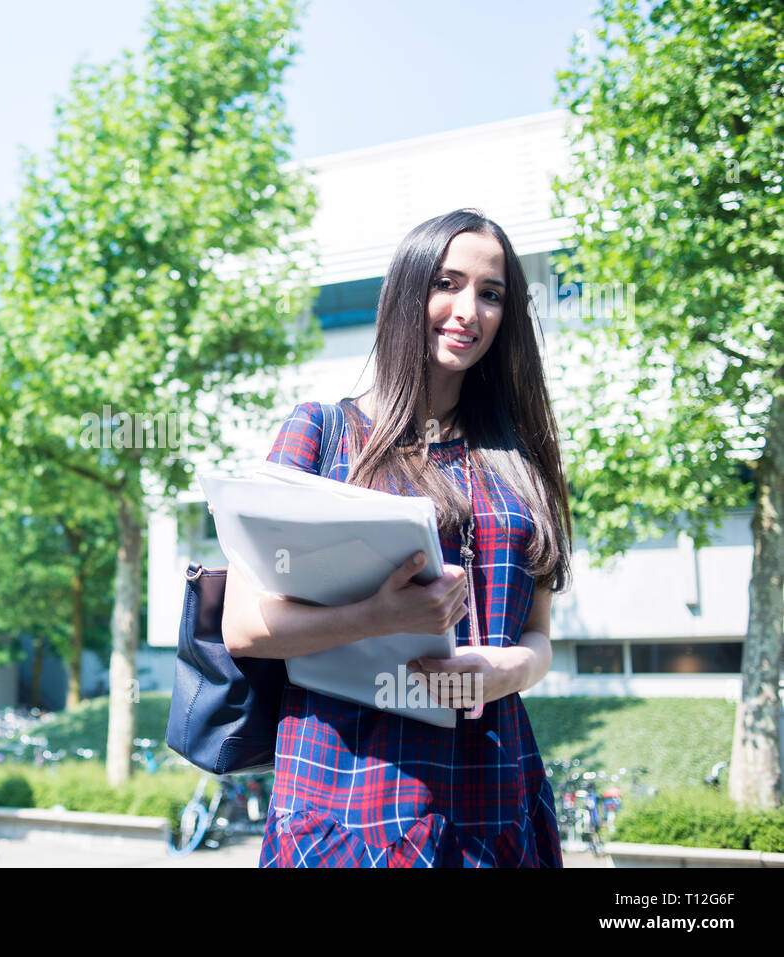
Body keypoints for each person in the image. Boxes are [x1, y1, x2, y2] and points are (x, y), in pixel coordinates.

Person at [222, 209, 571, 868]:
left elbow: (539, 635)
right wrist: (378, 616)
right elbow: (244, 625)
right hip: (345, 789)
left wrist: (506, 671)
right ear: (409, 290)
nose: (468, 309)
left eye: (490, 293)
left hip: (491, 785)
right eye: (448, 282)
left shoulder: (520, 459)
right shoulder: (320, 433)